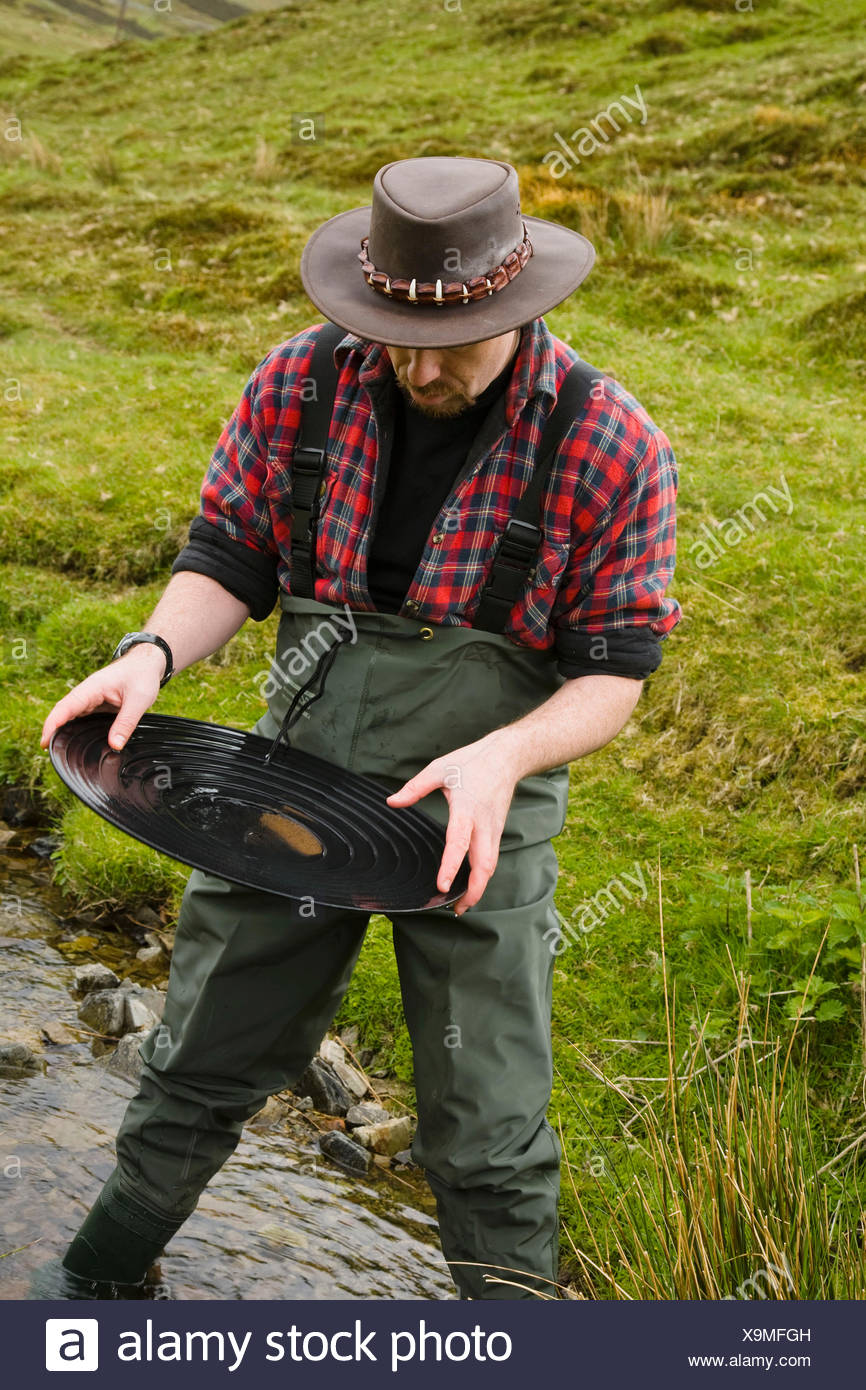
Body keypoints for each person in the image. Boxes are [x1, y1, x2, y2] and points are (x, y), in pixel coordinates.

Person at [36, 155, 680, 1301]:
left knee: (486, 1133)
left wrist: (503, 755)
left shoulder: (608, 443)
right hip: (282, 789)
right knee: (196, 1063)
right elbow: (228, 555)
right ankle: (91, 1292)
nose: (417, 366)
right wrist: (149, 653)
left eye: (451, 342)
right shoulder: (297, 383)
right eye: (392, 332)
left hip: (474, 822)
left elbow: (615, 671)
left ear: (518, 307)